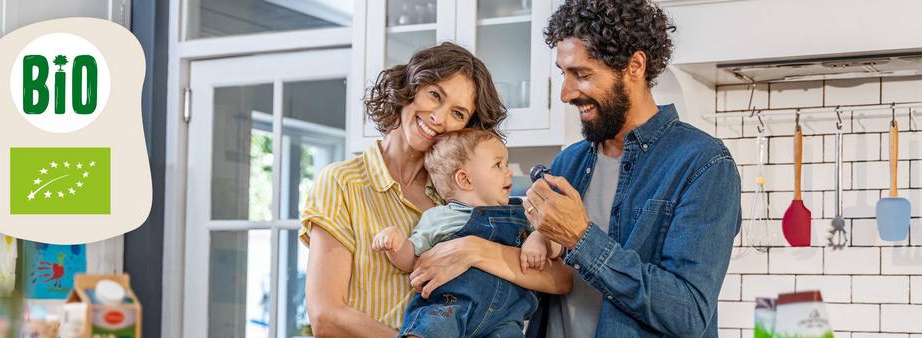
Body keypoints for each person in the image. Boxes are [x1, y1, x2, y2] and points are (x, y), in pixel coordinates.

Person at [300, 42, 573, 338]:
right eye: (434, 95)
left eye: (457, 113)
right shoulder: (343, 183)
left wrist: (474, 250)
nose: (439, 118)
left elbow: (560, 280)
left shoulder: (463, 192)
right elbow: (326, 317)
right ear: (411, 86)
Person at [522, 0, 742, 337]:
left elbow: (688, 314)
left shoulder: (703, 164)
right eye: (563, 74)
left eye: (582, 74)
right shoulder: (568, 163)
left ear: (635, 65)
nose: (566, 93)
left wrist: (581, 238)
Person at [372, 129, 569, 338]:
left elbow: (557, 247)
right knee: (429, 328)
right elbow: (412, 260)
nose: (508, 171)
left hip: (504, 321)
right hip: (449, 309)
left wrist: (539, 239)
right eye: (498, 165)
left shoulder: (523, 214)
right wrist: (397, 244)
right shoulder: (439, 217)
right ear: (465, 180)